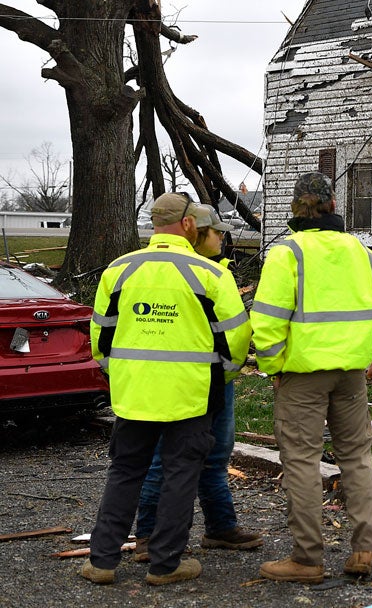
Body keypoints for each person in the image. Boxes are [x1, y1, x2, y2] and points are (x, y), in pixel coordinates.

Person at [81, 193, 250, 586]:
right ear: (189, 224)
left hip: (134, 393)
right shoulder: (209, 274)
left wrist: (122, 373)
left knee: (124, 472)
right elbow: (237, 340)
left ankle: (102, 562)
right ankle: (166, 564)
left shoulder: (119, 271)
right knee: (180, 474)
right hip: (190, 396)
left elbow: (99, 338)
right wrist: (218, 377)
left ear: (155, 224)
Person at [252, 172, 372, 584]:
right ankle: (364, 549)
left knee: (302, 462)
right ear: (333, 204)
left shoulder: (287, 254)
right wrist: (366, 351)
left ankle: (307, 559)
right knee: (357, 459)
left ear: (296, 208)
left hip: (302, 376)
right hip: (351, 374)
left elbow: (268, 321)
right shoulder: (361, 252)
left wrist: (274, 367)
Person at [132, 204, 261, 563]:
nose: (223, 236)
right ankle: (149, 536)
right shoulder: (187, 272)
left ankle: (221, 527)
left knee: (215, 454)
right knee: (166, 457)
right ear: (194, 232)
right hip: (186, 381)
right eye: (216, 231)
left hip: (215, 380)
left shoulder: (216, 271)